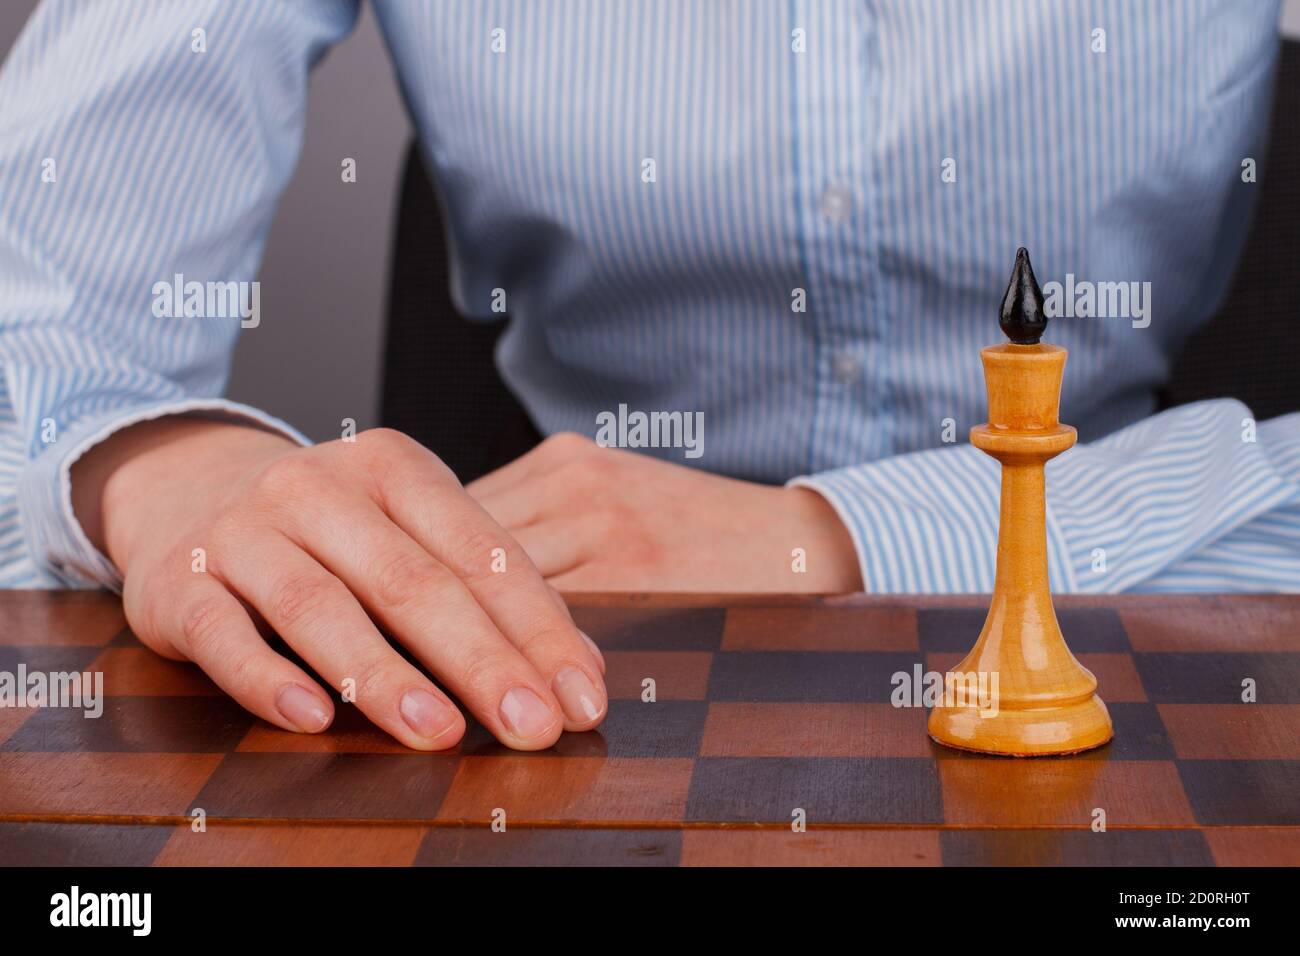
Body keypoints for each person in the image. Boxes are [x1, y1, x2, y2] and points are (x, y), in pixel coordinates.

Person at [1, 1, 1296, 751]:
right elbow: (44, 315)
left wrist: (841, 538)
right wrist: (153, 465)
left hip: (1149, 614)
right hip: (571, 666)